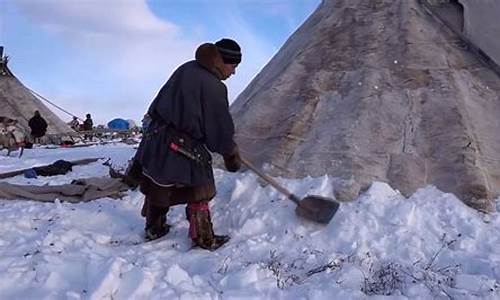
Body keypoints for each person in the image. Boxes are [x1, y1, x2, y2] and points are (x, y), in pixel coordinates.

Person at [134, 38, 242, 250]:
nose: (234, 72)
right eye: (234, 66)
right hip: (184, 144)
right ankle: (203, 237)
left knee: (159, 183)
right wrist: (231, 153)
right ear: (223, 61)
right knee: (200, 188)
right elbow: (219, 128)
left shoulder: (186, 68)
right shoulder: (214, 87)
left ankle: (154, 228)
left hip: (157, 136)